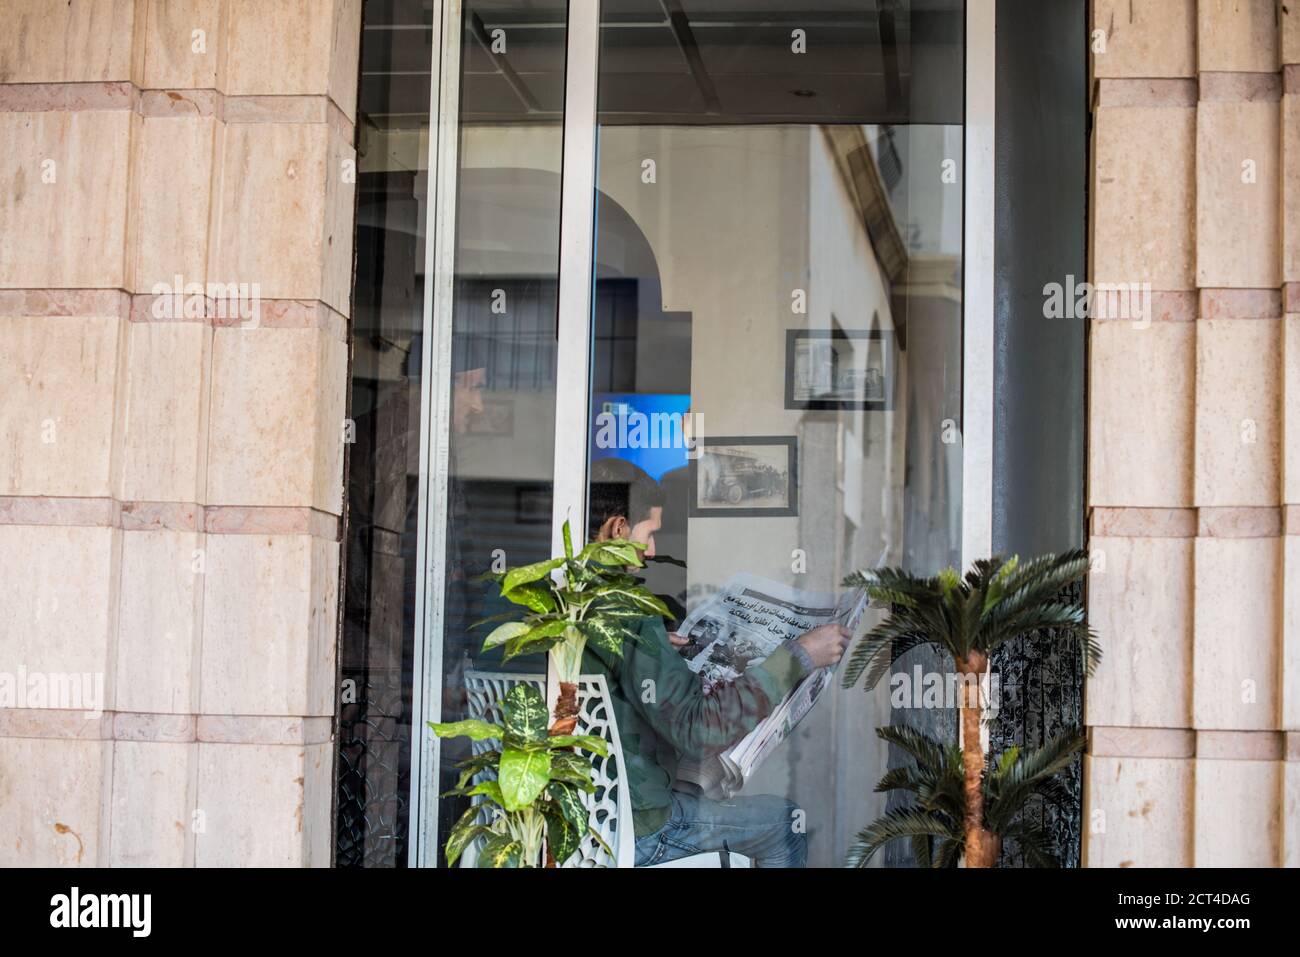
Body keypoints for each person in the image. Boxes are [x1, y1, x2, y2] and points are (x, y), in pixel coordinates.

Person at [582, 459, 851, 867]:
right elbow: (700, 730)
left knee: (696, 786)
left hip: (585, 819)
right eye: (648, 533)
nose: (652, 551)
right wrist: (798, 656)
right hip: (638, 829)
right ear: (619, 528)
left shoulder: (564, 600)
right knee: (786, 825)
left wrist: (654, 650)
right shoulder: (626, 609)